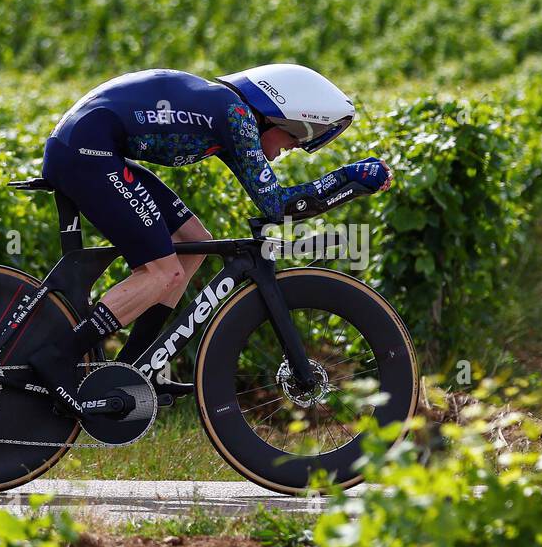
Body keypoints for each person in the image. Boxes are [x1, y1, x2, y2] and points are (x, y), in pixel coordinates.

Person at [25, 64, 393, 415]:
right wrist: (348, 178)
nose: (294, 148)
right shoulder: (234, 114)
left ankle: (136, 369)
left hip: (91, 146)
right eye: (299, 137)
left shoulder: (230, 115)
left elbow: (278, 208)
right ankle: (58, 356)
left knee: (193, 241)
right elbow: (276, 204)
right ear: (281, 115)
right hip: (84, 152)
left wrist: (347, 187)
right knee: (162, 273)